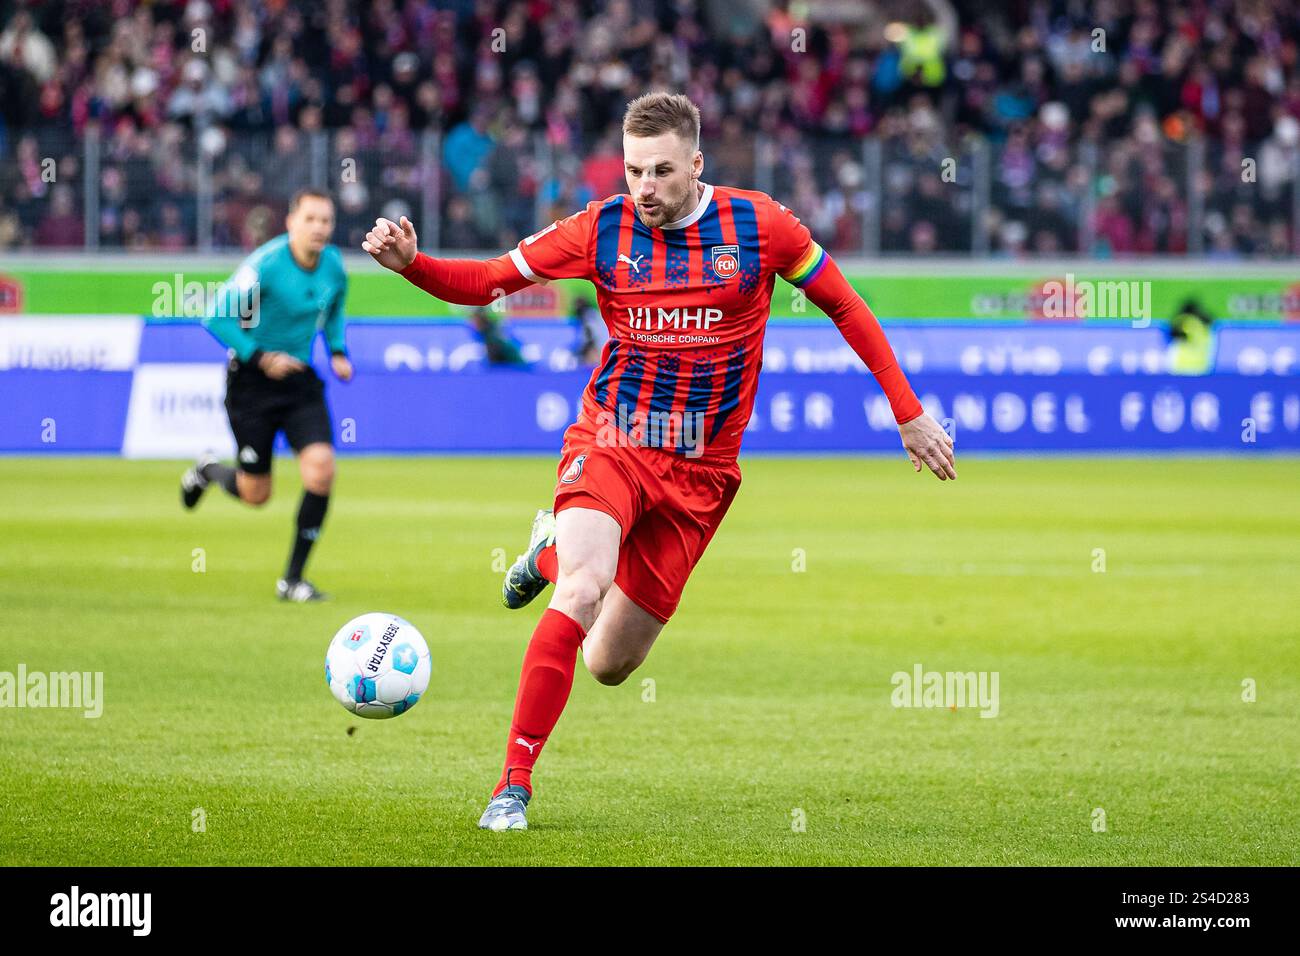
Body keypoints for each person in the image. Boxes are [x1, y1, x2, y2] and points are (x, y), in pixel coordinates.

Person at [362, 92, 955, 830]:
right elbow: (487, 281)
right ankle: (512, 786)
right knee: (582, 591)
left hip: (702, 473)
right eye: (635, 170)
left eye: (662, 171)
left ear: (697, 165)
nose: (644, 187)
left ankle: (545, 550)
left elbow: (846, 306)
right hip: (613, 439)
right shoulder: (599, 228)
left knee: (608, 663)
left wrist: (908, 410)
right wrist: (412, 264)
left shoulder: (762, 226)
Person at [180, 187, 352, 603]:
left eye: (326, 220)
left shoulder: (333, 266)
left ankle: (292, 580)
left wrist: (338, 349)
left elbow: (334, 309)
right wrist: (260, 357)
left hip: (299, 382)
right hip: (252, 384)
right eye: (310, 219)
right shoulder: (264, 265)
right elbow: (215, 317)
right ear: (291, 222)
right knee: (256, 494)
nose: (319, 228)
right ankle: (208, 471)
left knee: (321, 470)